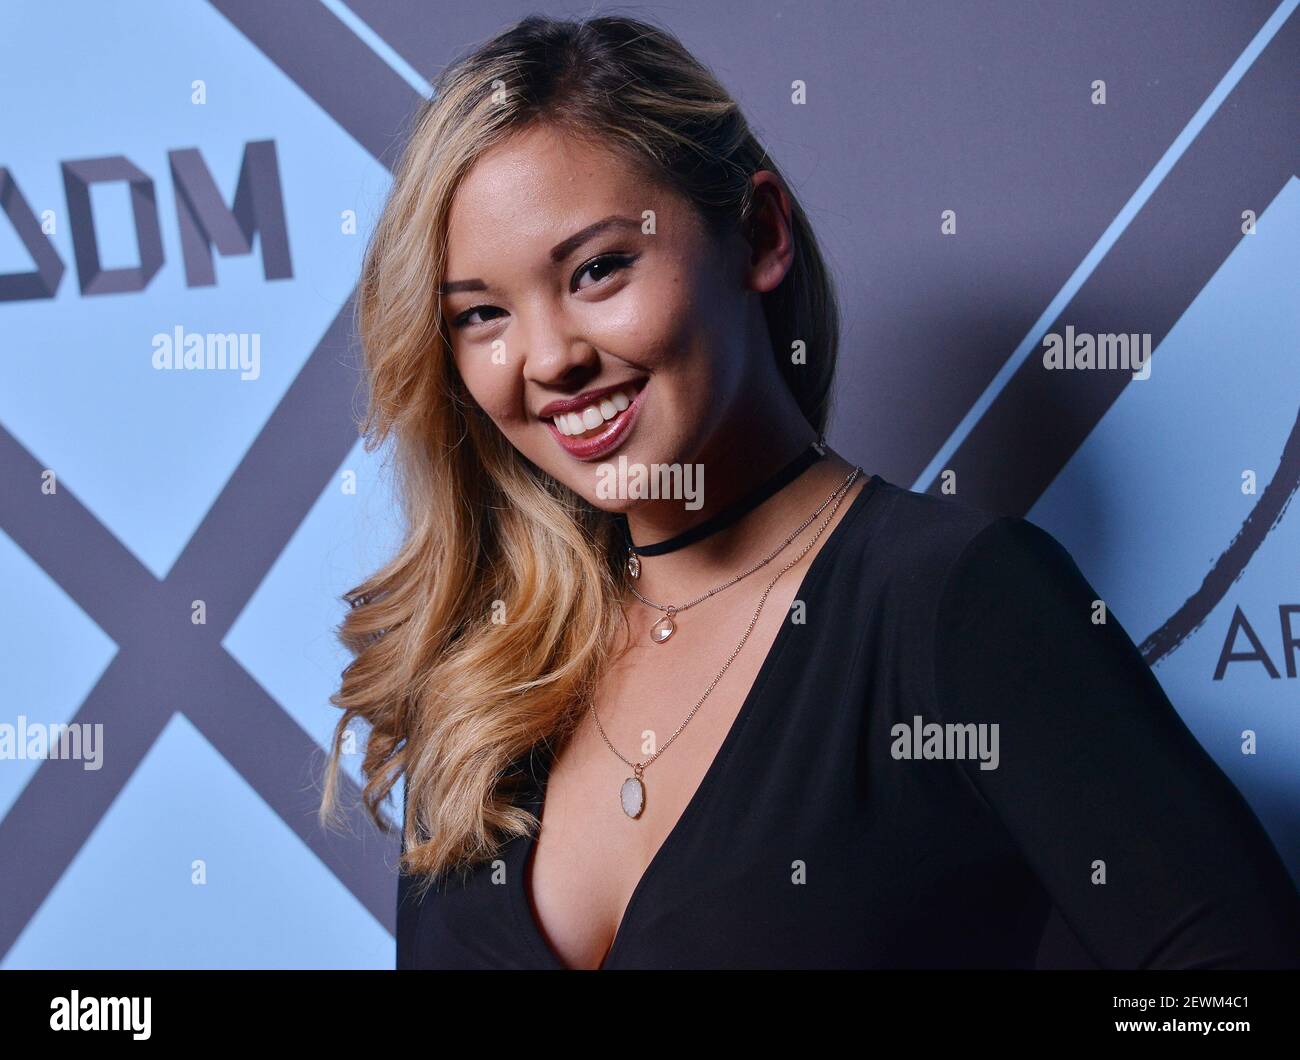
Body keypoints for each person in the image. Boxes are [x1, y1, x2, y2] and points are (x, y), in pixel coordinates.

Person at [320, 14, 1300, 970]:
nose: (549, 358)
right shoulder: (488, 682)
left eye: (598, 269)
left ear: (757, 234)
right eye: (482, 315)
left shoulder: (955, 604)